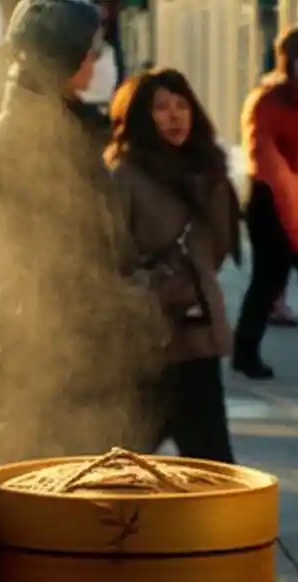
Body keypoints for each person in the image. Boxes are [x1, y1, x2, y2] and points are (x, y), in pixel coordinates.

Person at [0, 0, 165, 467]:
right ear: (62, 60)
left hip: (72, 371)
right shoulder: (20, 145)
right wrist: (134, 301)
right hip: (38, 381)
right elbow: (28, 277)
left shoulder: (61, 129)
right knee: (44, 522)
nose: (96, 62)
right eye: (88, 52)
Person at [108, 69, 240, 462]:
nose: (174, 116)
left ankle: (223, 524)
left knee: (211, 462)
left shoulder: (207, 172)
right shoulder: (124, 175)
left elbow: (217, 247)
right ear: (138, 117)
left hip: (197, 335)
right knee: (126, 461)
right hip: (148, 339)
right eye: (161, 108)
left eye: (182, 105)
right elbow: (111, 253)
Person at [233, 27, 298, 383]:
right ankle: (245, 353)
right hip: (272, 204)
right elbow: (266, 159)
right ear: (291, 63)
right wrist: (292, 201)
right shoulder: (270, 101)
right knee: (268, 281)